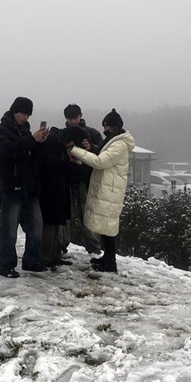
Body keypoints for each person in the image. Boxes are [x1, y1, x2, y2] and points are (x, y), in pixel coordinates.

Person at [67, 108, 135, 273]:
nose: (105, 130)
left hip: (110, 190)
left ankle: (110, 261)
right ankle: (108, 258)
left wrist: (75, 150)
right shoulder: (112, 141)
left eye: (107, 126)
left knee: (109, 225)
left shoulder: (119, 144)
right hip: (107, 188)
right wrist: (84, 154)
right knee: (106, 225)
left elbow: (99, 161)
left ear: (116, 127)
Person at [0, 96, 49, 278]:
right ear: (14, 111)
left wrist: (40, 143)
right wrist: (32, 140)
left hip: (30, 188)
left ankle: (32, 261)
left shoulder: (27, 132)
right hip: (10, 188)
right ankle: (6, 266)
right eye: (23, 113)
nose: (26, 117)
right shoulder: (0, 130)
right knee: (9, 230)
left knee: (36, 227)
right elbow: (6, 152)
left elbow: (32, 156)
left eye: (28, 114)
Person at [60, 104, 104, 261]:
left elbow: (103, 153)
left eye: (75, 117)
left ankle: (94, 248)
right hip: (67, 179)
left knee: (88, 214)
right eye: (70, 118)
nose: (73, 121)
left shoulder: (91, 133)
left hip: (86, 180)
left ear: (81, 115)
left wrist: (91, 147)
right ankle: (61, 246)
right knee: (64, 216)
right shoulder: (62, 134)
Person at [36, 126, 72, 271]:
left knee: (53, 225)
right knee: (51, 226)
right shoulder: (54, 144)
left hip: (51, 191)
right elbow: (54, 166)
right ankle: (48, 258)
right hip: (52, 191)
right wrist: (68, 162)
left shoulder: (54, 142)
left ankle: (52, 256)